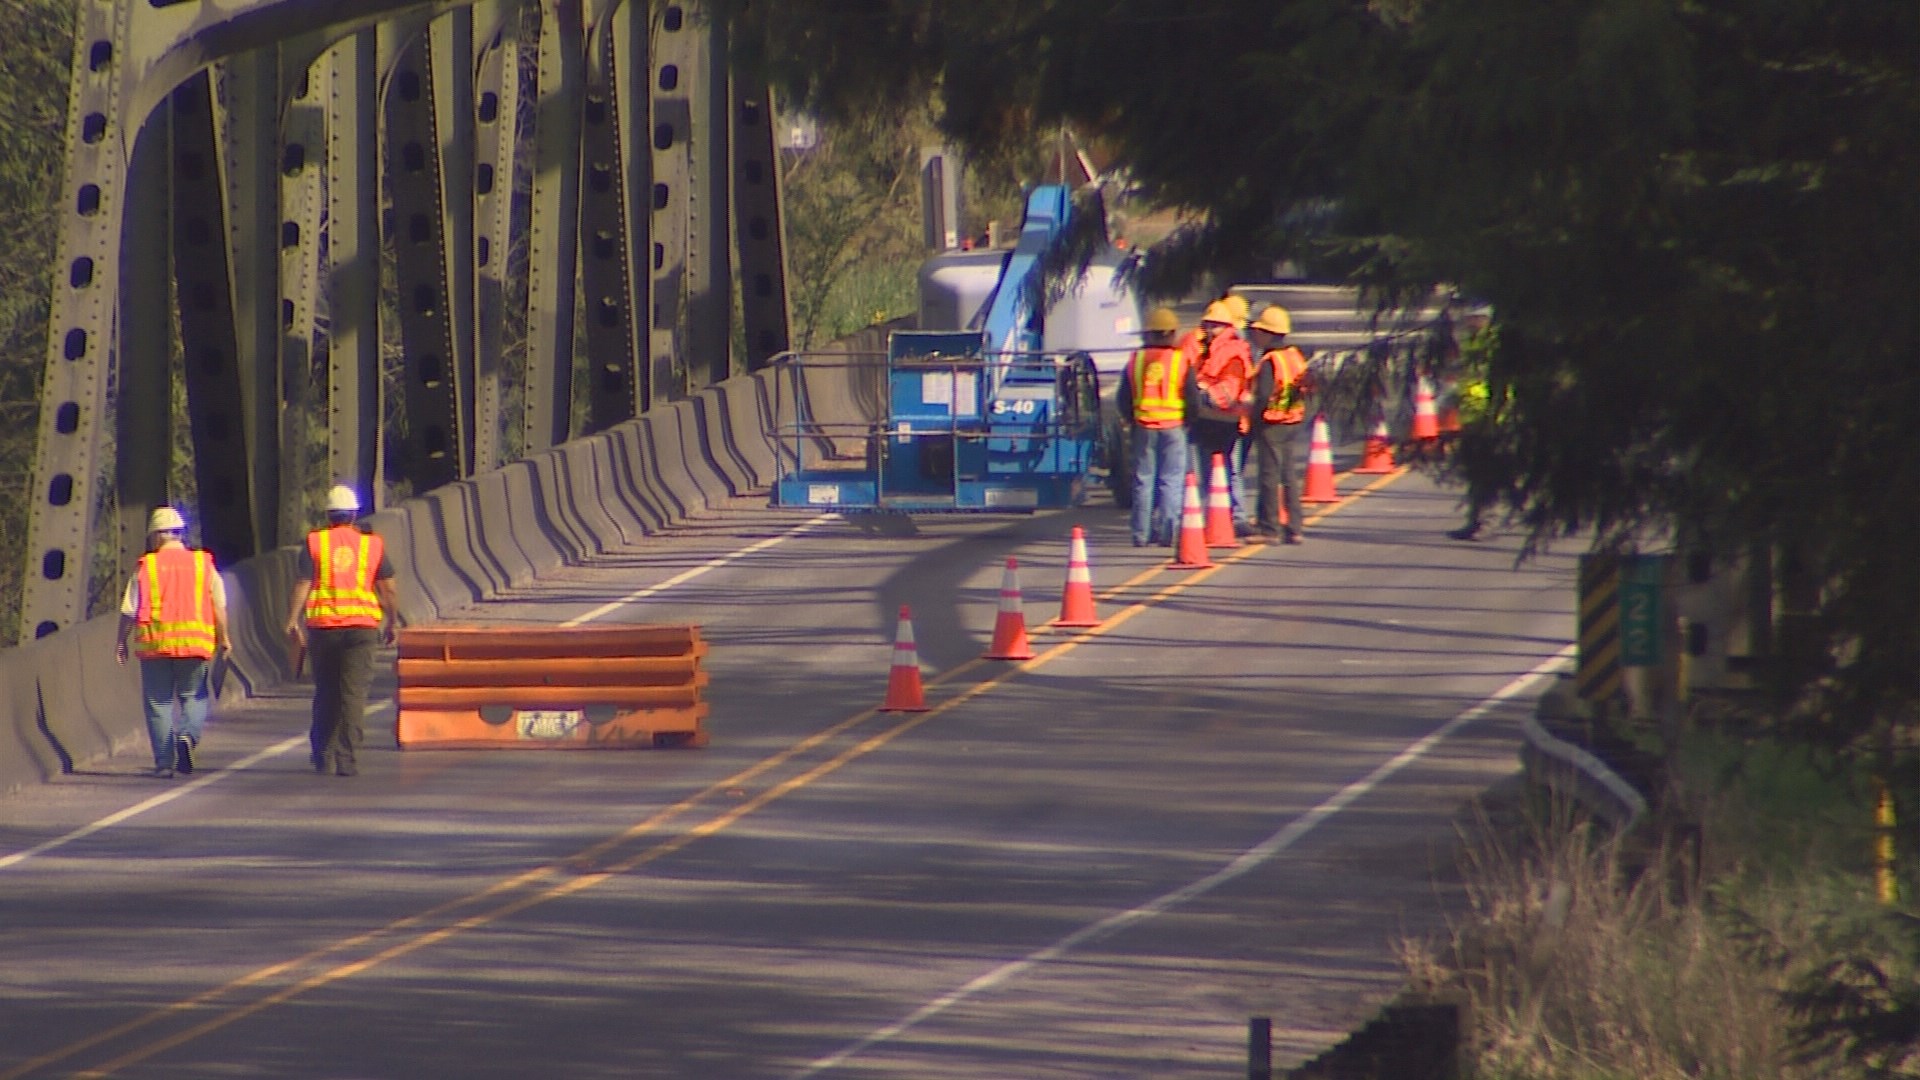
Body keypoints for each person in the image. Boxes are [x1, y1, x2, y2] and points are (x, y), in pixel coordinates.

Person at [286, 484, 400, 777]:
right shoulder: (372, 545)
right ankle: (346, 758)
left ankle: (322, 753)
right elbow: (387, 588)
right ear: (354, 515)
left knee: (326, 692)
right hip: (362, 628)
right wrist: (393, 620)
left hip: (324, 628)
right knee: (354, 695)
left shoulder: (315, 543)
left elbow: (303, 583)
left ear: (328, 515)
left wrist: (292, 619)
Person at [116, 506, 229, 778]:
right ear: (181, 535)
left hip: (155, 644)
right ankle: (188, 736)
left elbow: (130, 610)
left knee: (159, 703)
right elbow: (219, 605)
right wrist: (224, 638)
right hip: (194, 644)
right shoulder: (203, 563)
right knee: (194, 696)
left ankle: (164, 763)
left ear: (155, 537)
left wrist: (120, 642)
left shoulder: (146, 567)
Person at [1114, 307, 1193, 546]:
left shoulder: (1136, 360)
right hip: (1174, 427)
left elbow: (1123, 397)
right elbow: (1192, 398)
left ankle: (1140, 534)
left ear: (1148, 334)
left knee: (1143, 480)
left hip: (1143, 426)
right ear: (1171, 333)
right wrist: (1187, 421)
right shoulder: (1181, 360)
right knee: (1171, 479)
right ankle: (1168, 532)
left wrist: (1131, 418)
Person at [1181, 300, 1254, 524]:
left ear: (1226, 326)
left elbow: (1228, 392)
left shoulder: (1233, 351)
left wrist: (1202, 393)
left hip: (1227, 421)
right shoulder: (1207, 348)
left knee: (1229, 471)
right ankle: (1215, 516)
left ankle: (1237, 517)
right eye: (1208, 325)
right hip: (1207, 420)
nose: (1210, 330)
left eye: (1215, 325)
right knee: (1209, 471)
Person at [1246, 306, 1313, 544]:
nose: (1254, 335)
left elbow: (1263, 395)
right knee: (1289, 476)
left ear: (1268, 333)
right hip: (1292, 420)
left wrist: (1253, 419)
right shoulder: (1294, 356)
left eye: (1258, 331)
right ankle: (1294, 527)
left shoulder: (1269, 361)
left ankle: (1270, 529)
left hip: (1272, 423)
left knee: (1269, 476)